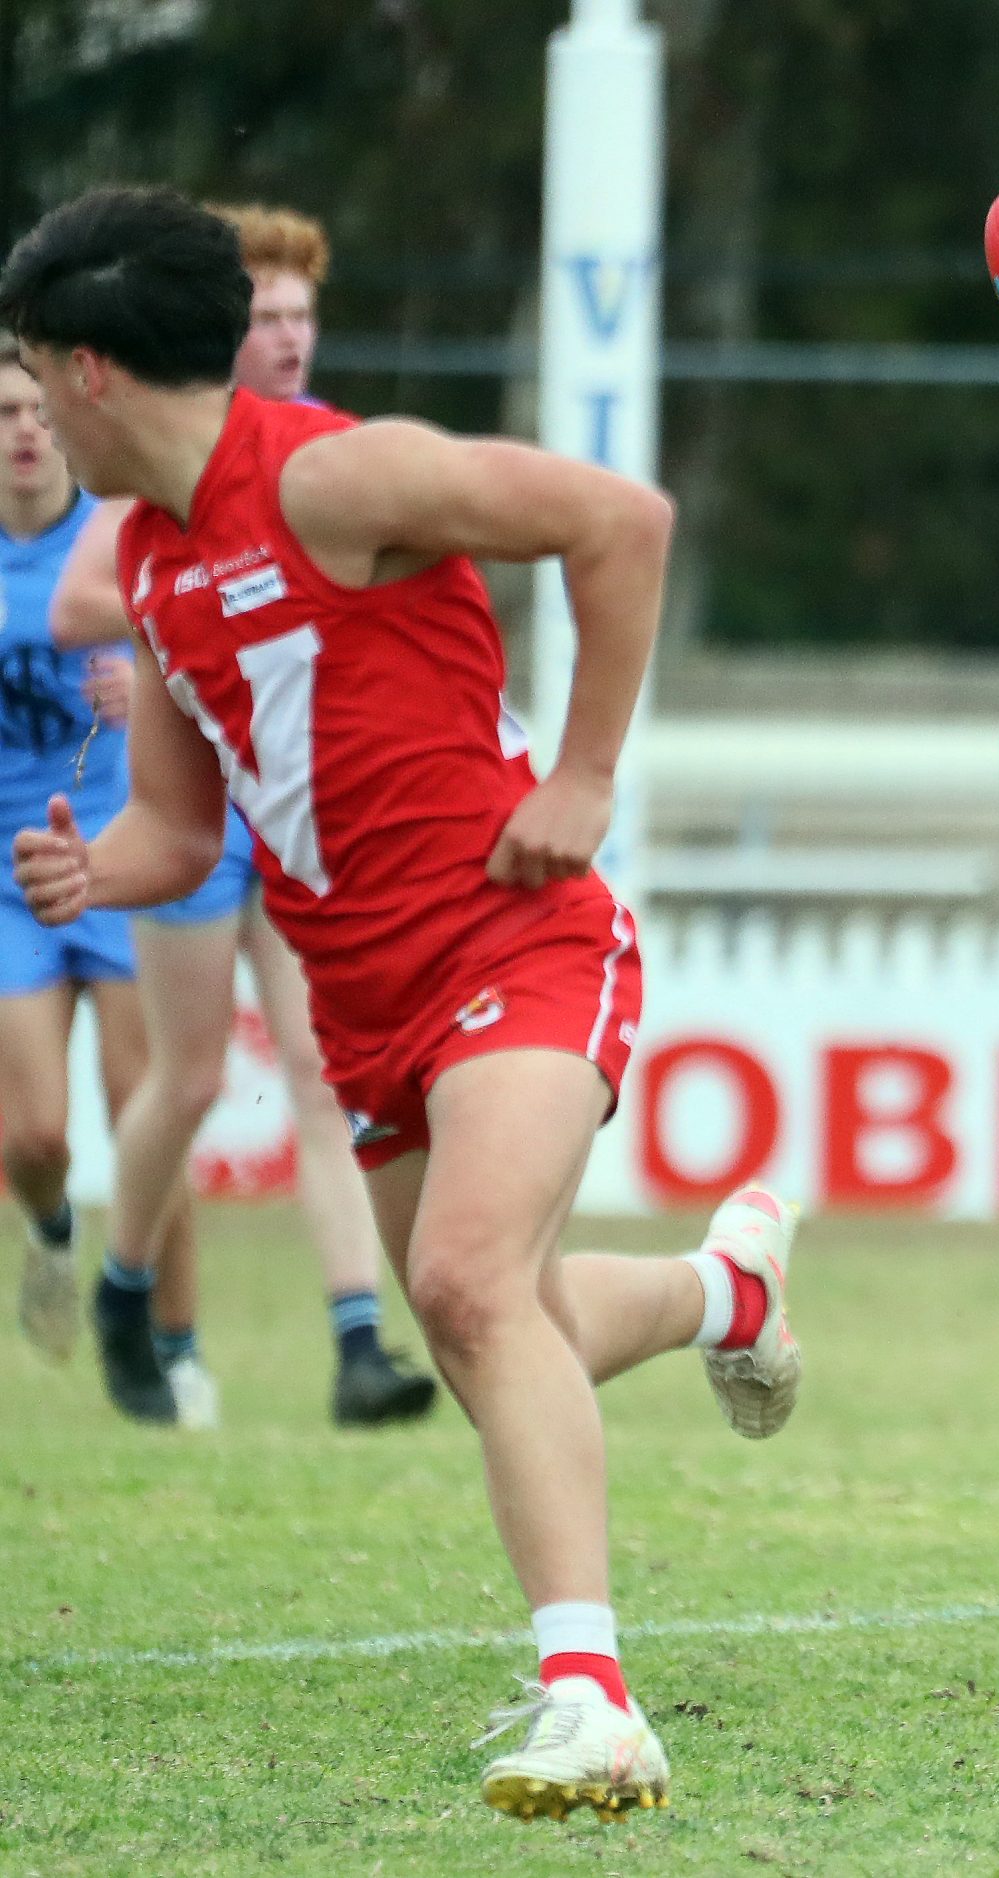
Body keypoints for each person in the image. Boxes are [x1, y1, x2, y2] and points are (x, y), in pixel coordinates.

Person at [4, 186, 804, 1821]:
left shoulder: (324, 471)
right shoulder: (147, 562)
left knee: (459, 1282)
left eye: (23, 370)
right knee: (521, 1317)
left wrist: (583, 774)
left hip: (515, 942)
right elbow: (183, 826)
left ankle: (594, 1697)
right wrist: (101, 875)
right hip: (364, 1001)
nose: (15, 409)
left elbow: (622, 521)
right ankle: (728, 1291)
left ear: (87, 370)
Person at [48, 202, 436, 1429]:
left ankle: (358, 1342)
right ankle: (123, 1286)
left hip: (300, 814)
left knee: (322, 1077)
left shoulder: (331, 450)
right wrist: (161, 646)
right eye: (263, 317)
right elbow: (82, 600)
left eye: (301, 317)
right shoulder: (164, 470)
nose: (285, 338)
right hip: (191, 817)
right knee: (193, 1072)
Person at [1, 339, 162, 1376]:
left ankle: (152, 1336)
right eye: (2, 413)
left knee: (147, 1101)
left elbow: (201, 669)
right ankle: (54, 1231)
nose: (23, 430)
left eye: (34, 410)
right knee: (38, 1138)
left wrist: (141, 693)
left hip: (125, 857)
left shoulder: (118, 541)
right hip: (14, 876)